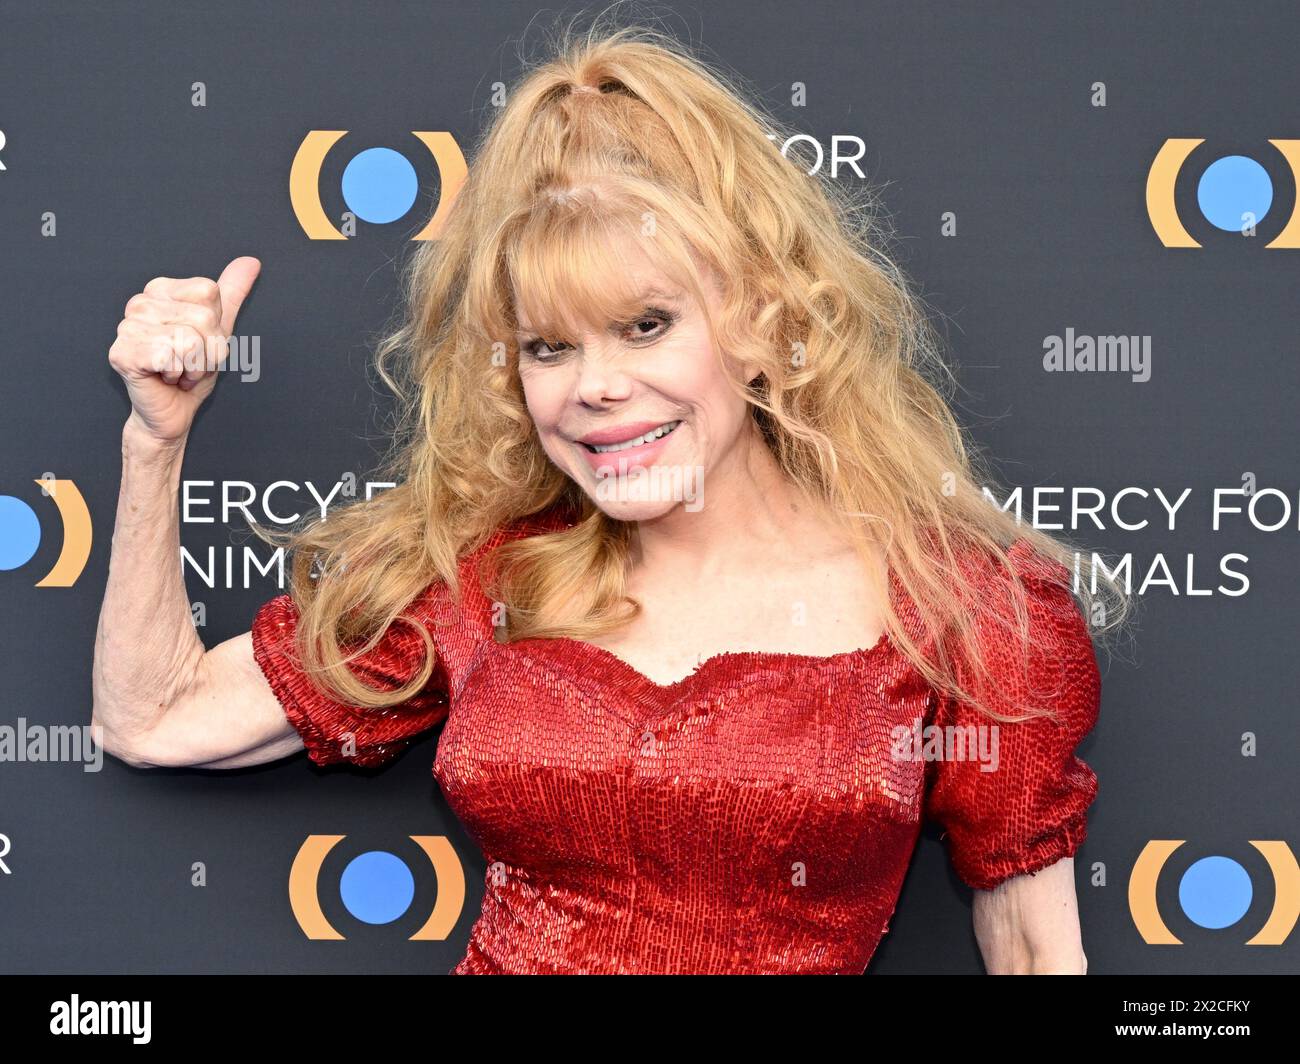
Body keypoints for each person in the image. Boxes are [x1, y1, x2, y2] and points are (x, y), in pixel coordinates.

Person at [93, 18, 1130, 974]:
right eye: (550, 345)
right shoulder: (482, 580)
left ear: (766, 323)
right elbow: (155, 715)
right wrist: (156, 436)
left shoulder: (964, 608)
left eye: (644, 325)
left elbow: (1036, 951)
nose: (593, 386)